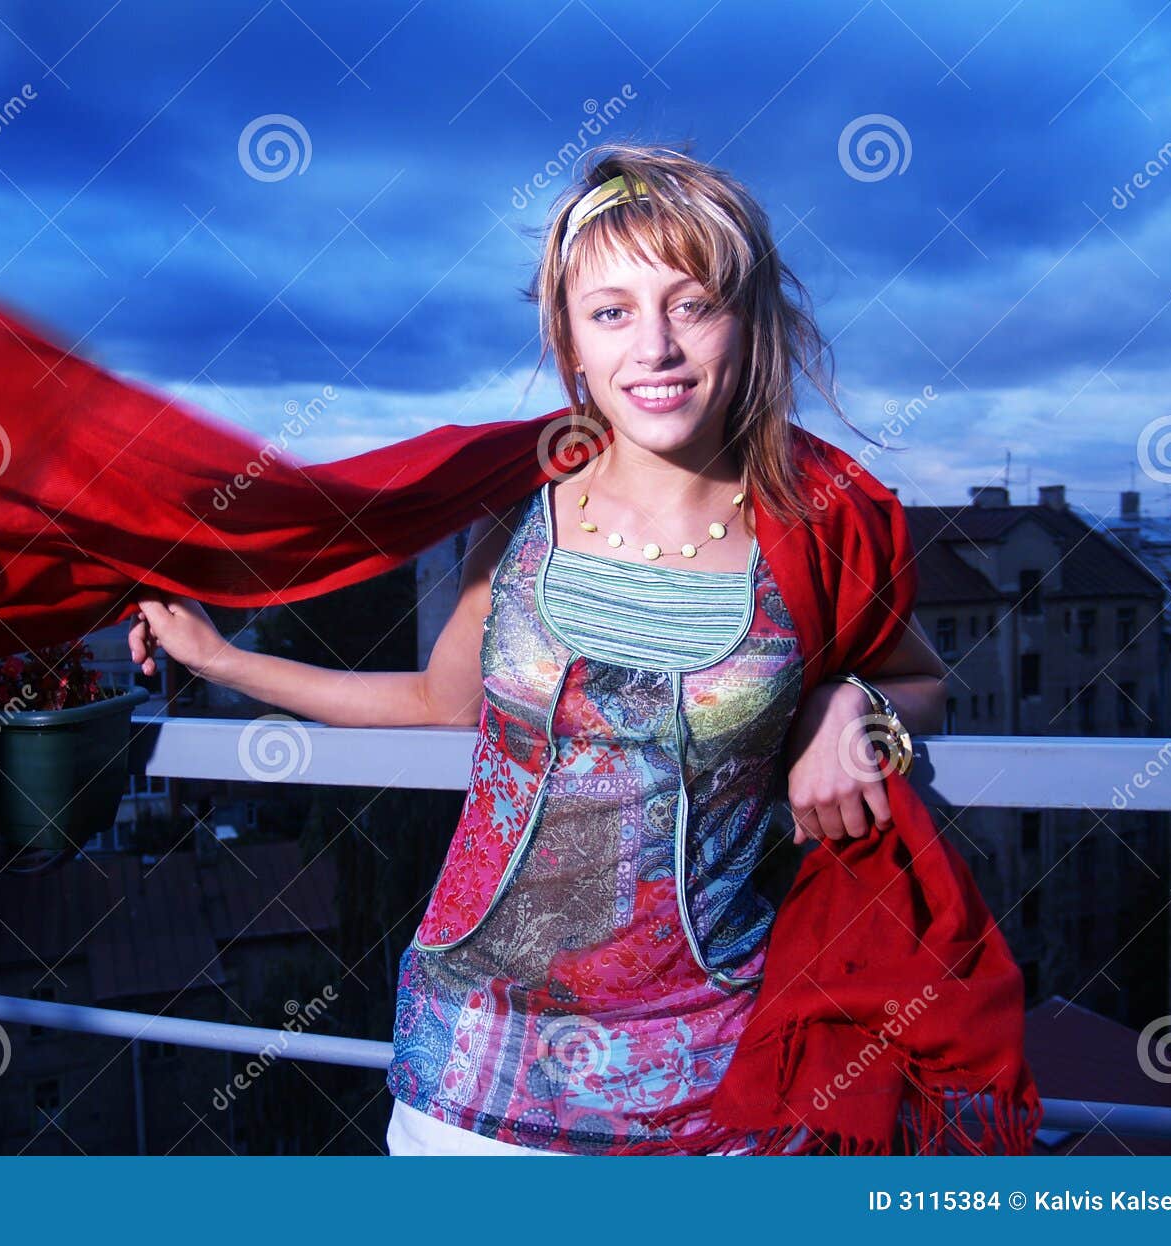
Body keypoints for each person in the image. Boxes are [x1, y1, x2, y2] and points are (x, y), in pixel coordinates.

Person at [128, 144, 950, 1155]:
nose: (653, 347)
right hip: (472, 1077)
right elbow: (439, 701)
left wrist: (850, 704)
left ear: (749, 320)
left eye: (690, 304)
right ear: (569, 337)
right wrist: (219, 661)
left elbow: (919, 681)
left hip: (712, 1082)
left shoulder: (819, 524)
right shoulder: (517, 517)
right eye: (612, 312)